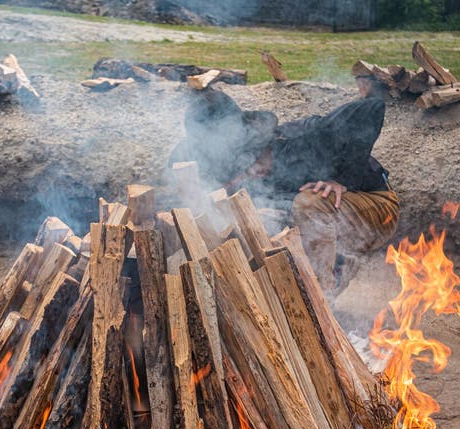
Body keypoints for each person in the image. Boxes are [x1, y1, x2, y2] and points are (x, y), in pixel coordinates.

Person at [171, 78, 399, 296]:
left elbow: (372, 108)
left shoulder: (304, 137)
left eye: (249, 160)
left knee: (309, 202)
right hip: (333, 224)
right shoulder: (238, 170)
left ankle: (321, 299)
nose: (248, 173)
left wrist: (345, 180)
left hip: (374, 205)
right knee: (258, 216)